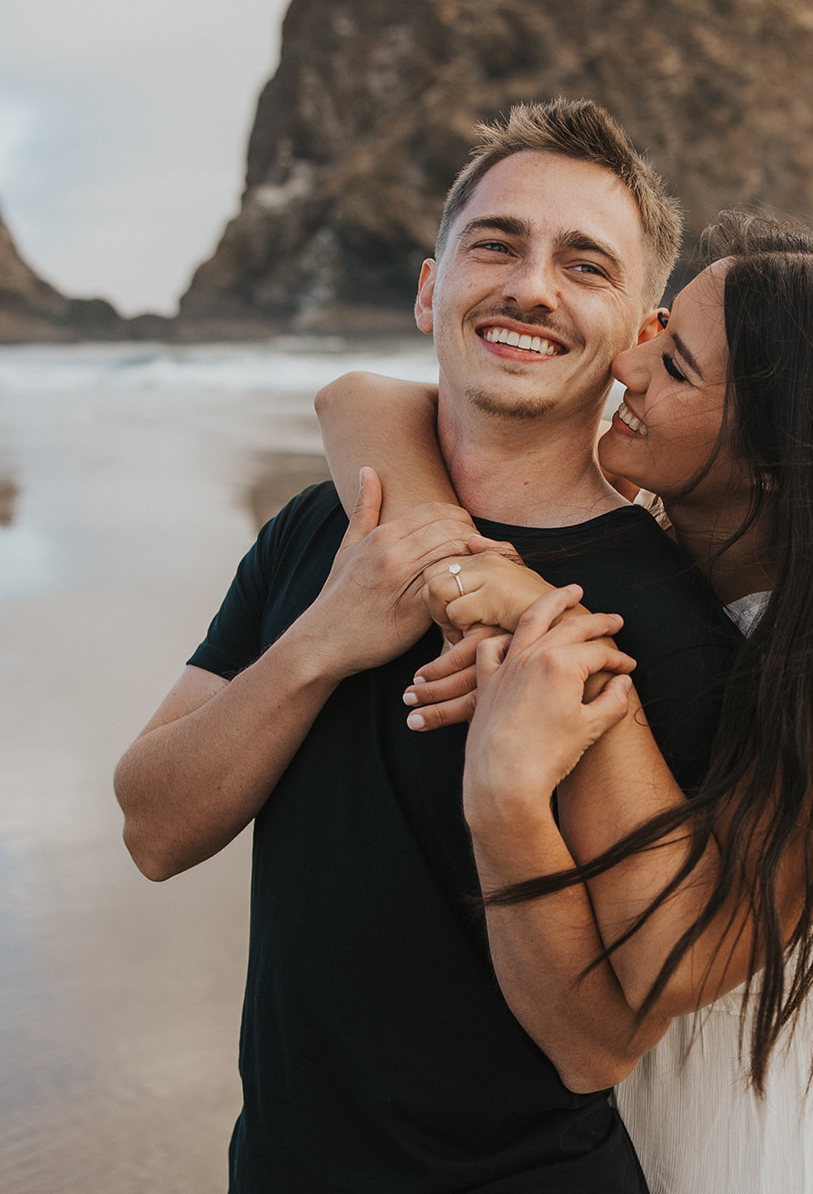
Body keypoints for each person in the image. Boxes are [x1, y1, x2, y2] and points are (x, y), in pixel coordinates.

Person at [317, 213, 813, 1194]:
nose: (627, 360)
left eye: (677, 365)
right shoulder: (656, 569)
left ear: (781, 457)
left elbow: (676, 950)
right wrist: (457, 574)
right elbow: (359, 403)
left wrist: (566, 651)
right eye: (657, 327)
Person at [113, 100, 748, 1194]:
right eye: (496, 244)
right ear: (428, 289)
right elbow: (152, 828)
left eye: (585, 265)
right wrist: (320, 642)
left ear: (638, 335)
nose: (531, 288)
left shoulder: (669, 628)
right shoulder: (319, 526)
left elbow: (601, 1041)